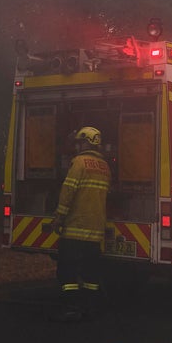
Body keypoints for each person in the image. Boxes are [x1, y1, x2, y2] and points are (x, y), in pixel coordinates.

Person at [49, 126, 111, 321]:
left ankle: (71, 308)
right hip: (95, 231)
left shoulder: (79, 163)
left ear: (85, 142)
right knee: (90, 273)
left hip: (75, 230)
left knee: (67, 271)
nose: (77, 146)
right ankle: (90, 307)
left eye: (79, 142)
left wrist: (59, 217)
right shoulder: (105, 167)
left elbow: (68, 191)